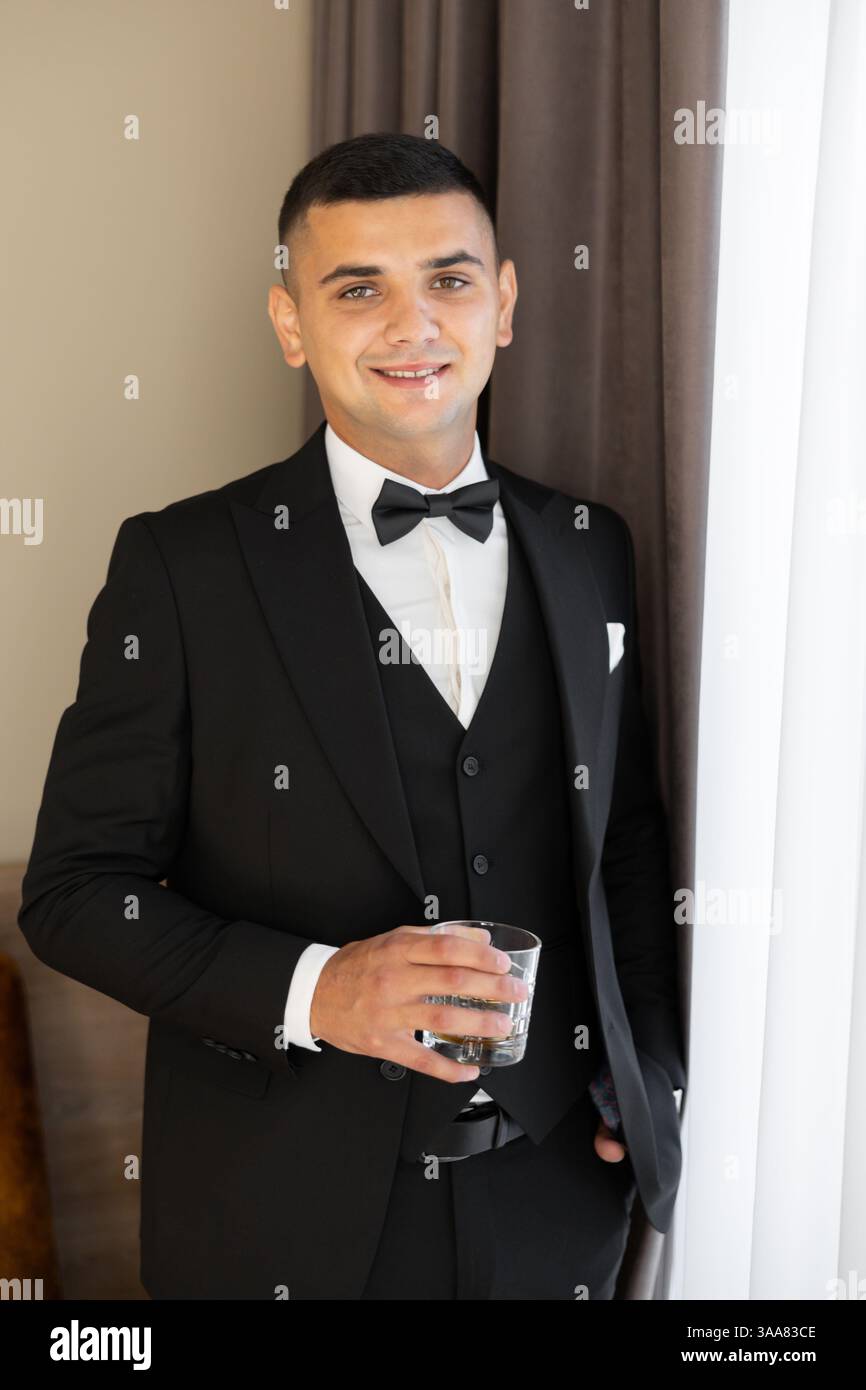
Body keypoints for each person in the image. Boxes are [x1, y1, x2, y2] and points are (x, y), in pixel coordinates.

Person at [18, 131, 686, 1300]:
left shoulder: (592, 549)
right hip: (282, 1220)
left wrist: (641, 1077)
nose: (412, 324)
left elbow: (621, 842)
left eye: (448, 279)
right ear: (289, 323)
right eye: (357, 288)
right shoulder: (182, 566)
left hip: (557, 1204)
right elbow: (75, 893)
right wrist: (316, 989)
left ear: (505, 303)